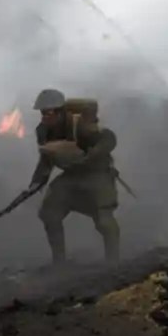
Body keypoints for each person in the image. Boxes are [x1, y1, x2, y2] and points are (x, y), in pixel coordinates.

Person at [29, 89, 121, 264]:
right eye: (42, 113)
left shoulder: (80, 125)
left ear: (60, 112)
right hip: (71, 176)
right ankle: (59, 262)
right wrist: (36, 182)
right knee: (49, 213)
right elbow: (46, 160)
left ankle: (114, 263)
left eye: (48, 113)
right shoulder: (43, 131)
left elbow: (109, 138)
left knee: (104, 220)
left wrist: (94, 153)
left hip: (96, 174)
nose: (44, 117)